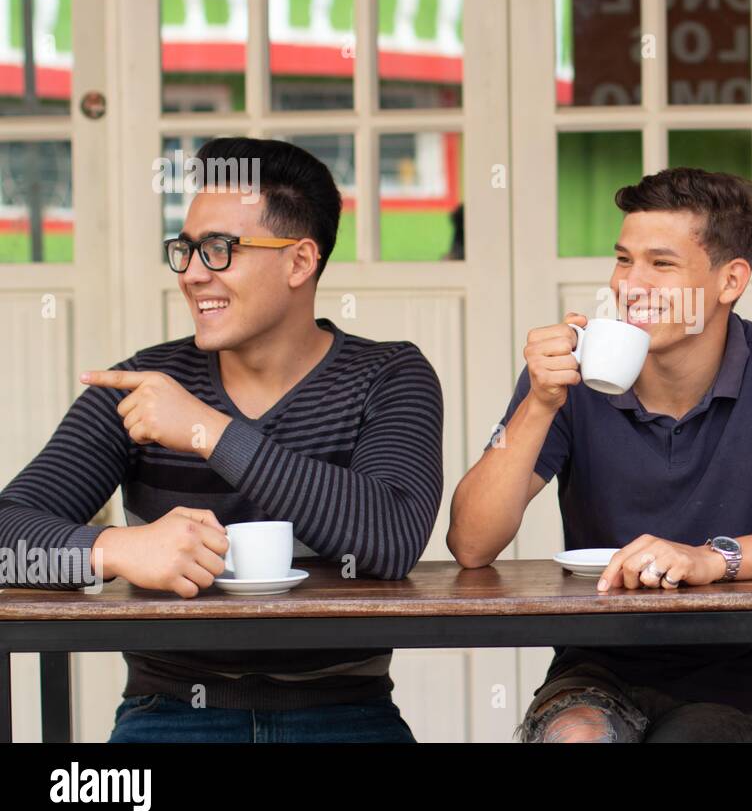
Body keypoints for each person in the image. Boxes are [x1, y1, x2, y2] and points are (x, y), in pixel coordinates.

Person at [0, 137, 444, 742]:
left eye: (218, 250)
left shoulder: (388, 377)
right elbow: (7, 535)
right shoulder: (143, 388)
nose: (192, 274)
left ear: (299, 261)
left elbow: (390, 538)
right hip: (169, 715)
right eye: (184, 250)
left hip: (345, 712)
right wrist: (116, 550)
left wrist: (209, 432)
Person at [449, 167, 752, 742]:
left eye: (662, 264)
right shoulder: (570, 374)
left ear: (731, 281)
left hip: (733, 676)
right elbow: (472, 543)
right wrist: (539, 403)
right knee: (575, 737)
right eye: (624, 259)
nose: (632, 284)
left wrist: (711, 558)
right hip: (594, 665)